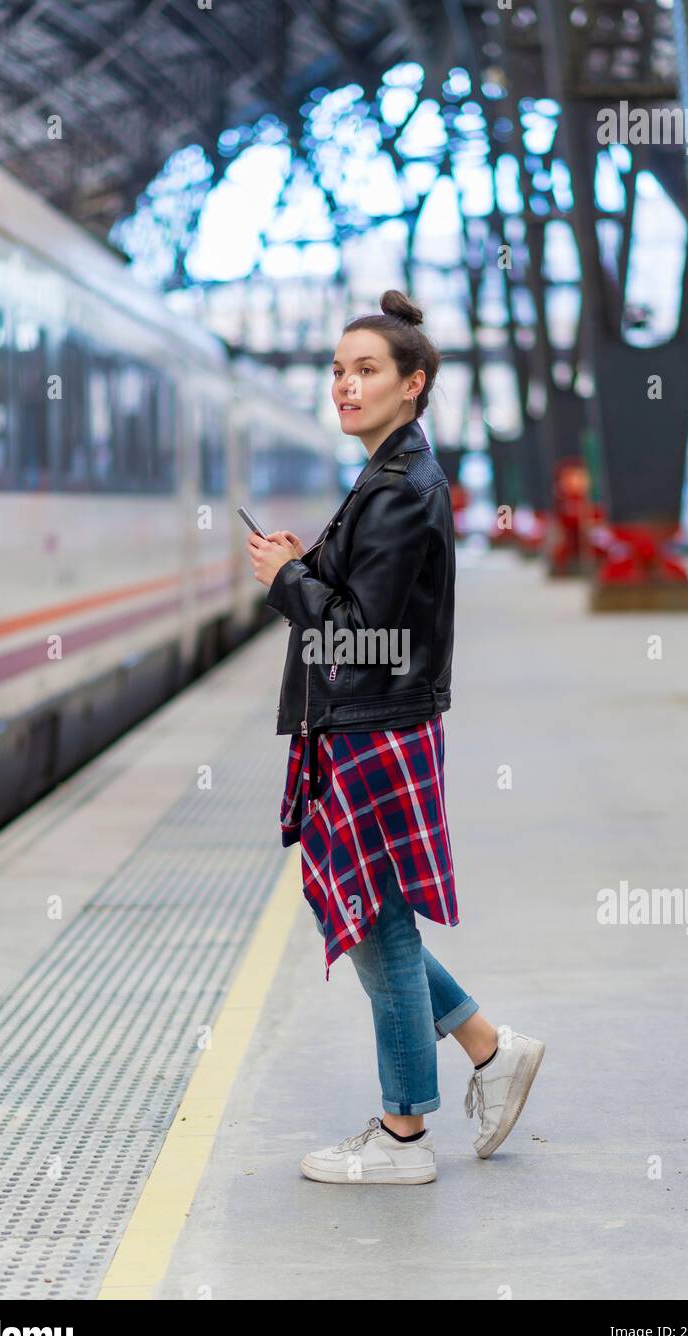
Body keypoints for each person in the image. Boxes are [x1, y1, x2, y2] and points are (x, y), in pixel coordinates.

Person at [247, 289, 544, 1184]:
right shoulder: (391, 474)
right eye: (338, 371)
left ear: (412, 385)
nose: (345, 385)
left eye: (366, 371)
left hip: (372, 725)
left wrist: (288, 579)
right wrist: (313, 566)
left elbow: (359, 631)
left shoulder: (399, 489)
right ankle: (492, 1050)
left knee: (379, 924)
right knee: (367, 912)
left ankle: (403, 1134)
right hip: (371, 721)